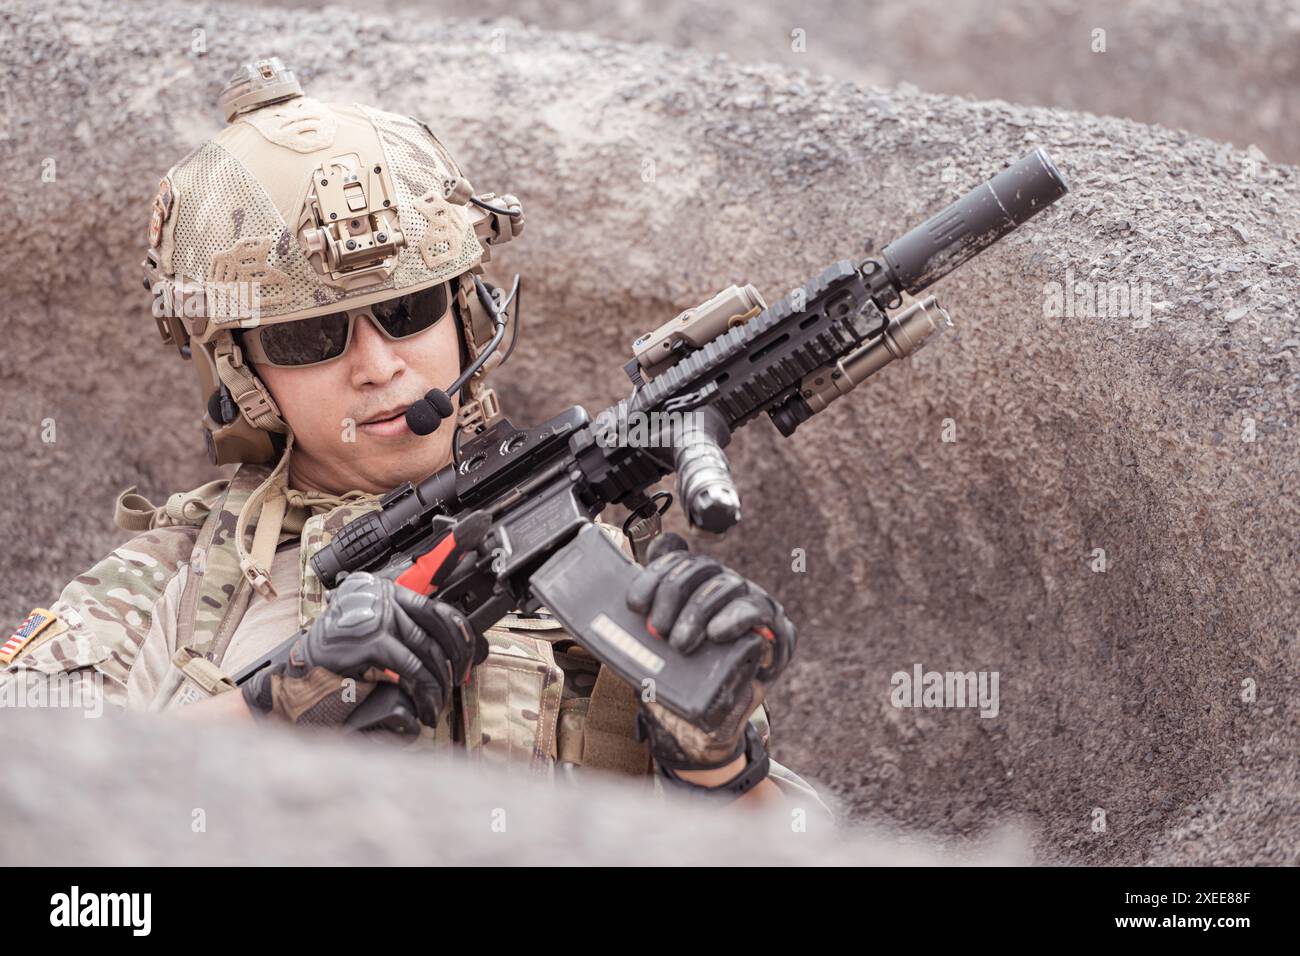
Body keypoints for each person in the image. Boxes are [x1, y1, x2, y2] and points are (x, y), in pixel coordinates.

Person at [1, 58, 828, 814]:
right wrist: (269, 705)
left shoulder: (617, 579)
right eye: (308, 336)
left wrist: (718, 765)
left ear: (465, 313)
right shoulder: (173, 583)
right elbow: (26, 782)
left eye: (408, 310)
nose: (378, 365)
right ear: (244, 375)